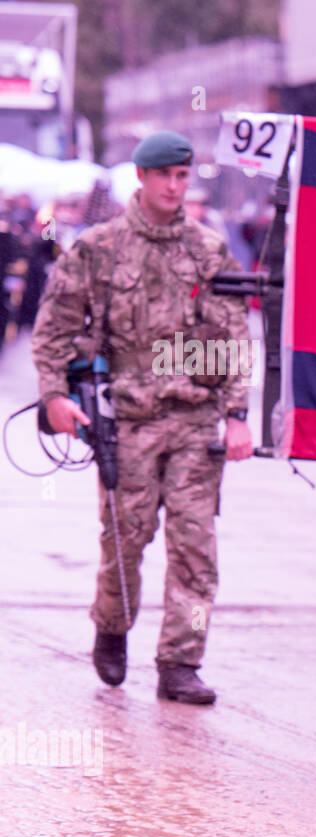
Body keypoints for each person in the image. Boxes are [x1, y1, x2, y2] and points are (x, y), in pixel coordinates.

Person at [31, 131, 253, 704]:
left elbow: (232, 337)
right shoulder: (98, 249)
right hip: (126, 421)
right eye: (167, 177)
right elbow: (53, 327)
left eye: (184, 178)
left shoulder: (208, 250)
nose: (177, 188)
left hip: (193, 422)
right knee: (124, 543)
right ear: (143, 177)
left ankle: (181, 662)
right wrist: (54, 395)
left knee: (196, 551)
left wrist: (237, 415)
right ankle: (111, 625)